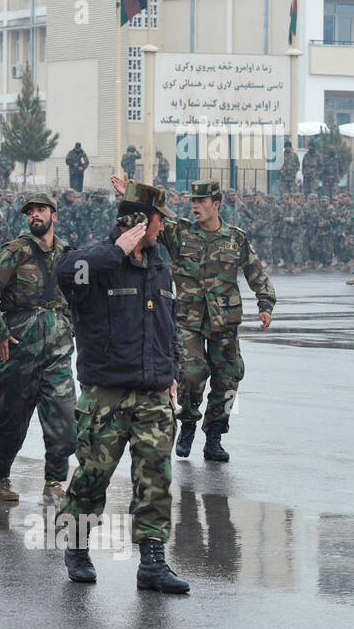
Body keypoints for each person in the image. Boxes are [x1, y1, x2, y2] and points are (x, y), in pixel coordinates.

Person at [54, 180, 189, 593]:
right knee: (93, 476)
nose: (163, 229)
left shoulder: (161, 264)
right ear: (137, 224)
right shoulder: (96, 265)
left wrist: (173, 374)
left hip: (153, 392)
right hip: (106, 393)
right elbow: (64, 271)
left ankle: (152, 562)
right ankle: (76, 546)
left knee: (155, 479)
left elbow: (170, 325)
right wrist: (117, 249)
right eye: (158, 221)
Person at [114, 176, 274, 463]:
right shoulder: (179, 232)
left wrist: (265, 303)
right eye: (193, 201)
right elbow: (151, 219)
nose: (196, 206)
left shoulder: (235, 237)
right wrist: (132, 195)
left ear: (217, 204)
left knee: (229, 378)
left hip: (224, 319)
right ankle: (188, 422)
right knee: (190, 374)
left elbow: (255, 271)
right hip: (187, 318)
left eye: (201, 202)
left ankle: (214, 436)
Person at [0, 192, 75, 508]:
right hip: (17, 350)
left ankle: (54, 482)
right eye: (30, 212)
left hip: (57, 352)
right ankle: (0, 475)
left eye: (41, 210)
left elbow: (79, 295)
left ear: (54, 215)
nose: (35, 215)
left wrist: (71, 325)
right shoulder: (15, 252)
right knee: (9, 419)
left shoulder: (67, 255)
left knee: (64, 418)